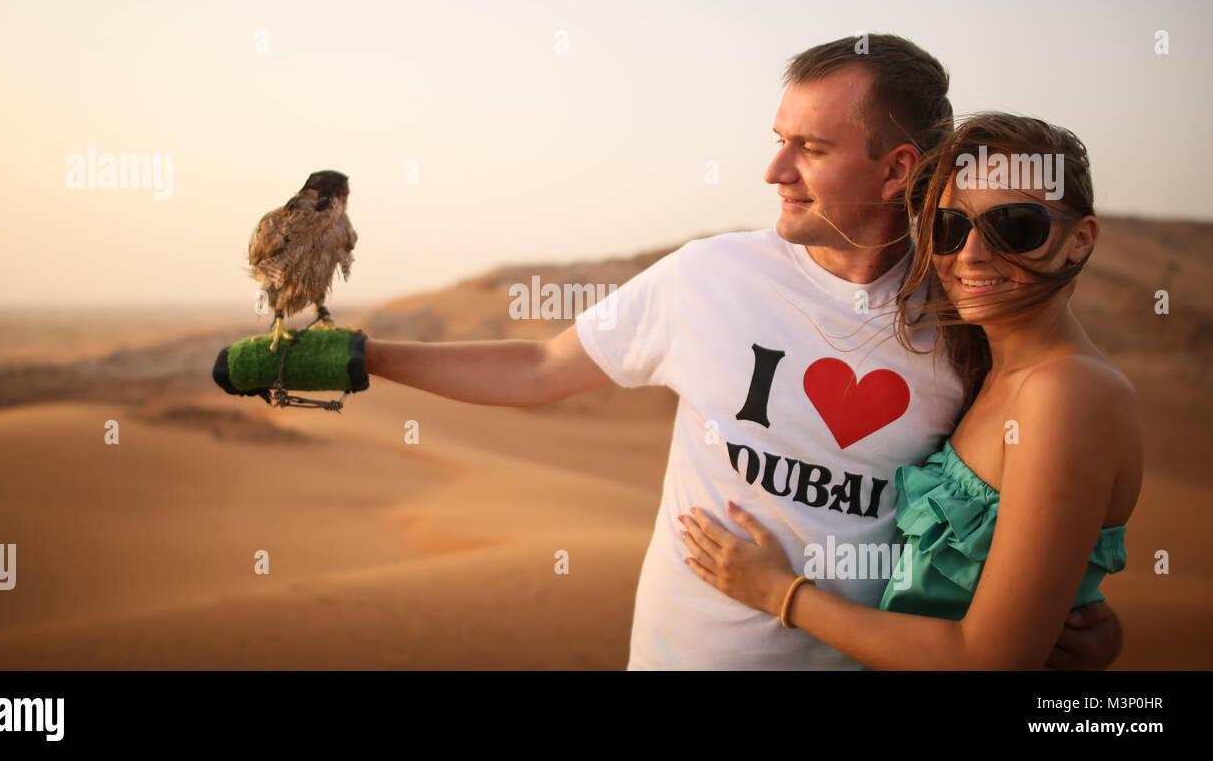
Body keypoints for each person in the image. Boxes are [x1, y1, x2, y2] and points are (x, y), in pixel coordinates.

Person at [362, 33, 1122, 669]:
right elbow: (537, 368)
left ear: (896, 170)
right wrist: (365, 356)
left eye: (812, 148)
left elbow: (1016, 508)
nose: (775, 172)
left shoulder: (960, 318)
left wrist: (1082, 620)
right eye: (778, 142)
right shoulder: (708, 276)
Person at [678, 112, 1142, 669]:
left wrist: (780, 593)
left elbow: (985, 660)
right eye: (948, 227)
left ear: (1078, 241)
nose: (971, 252)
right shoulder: (984, 373)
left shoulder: (1066, 393)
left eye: (1015, 226)